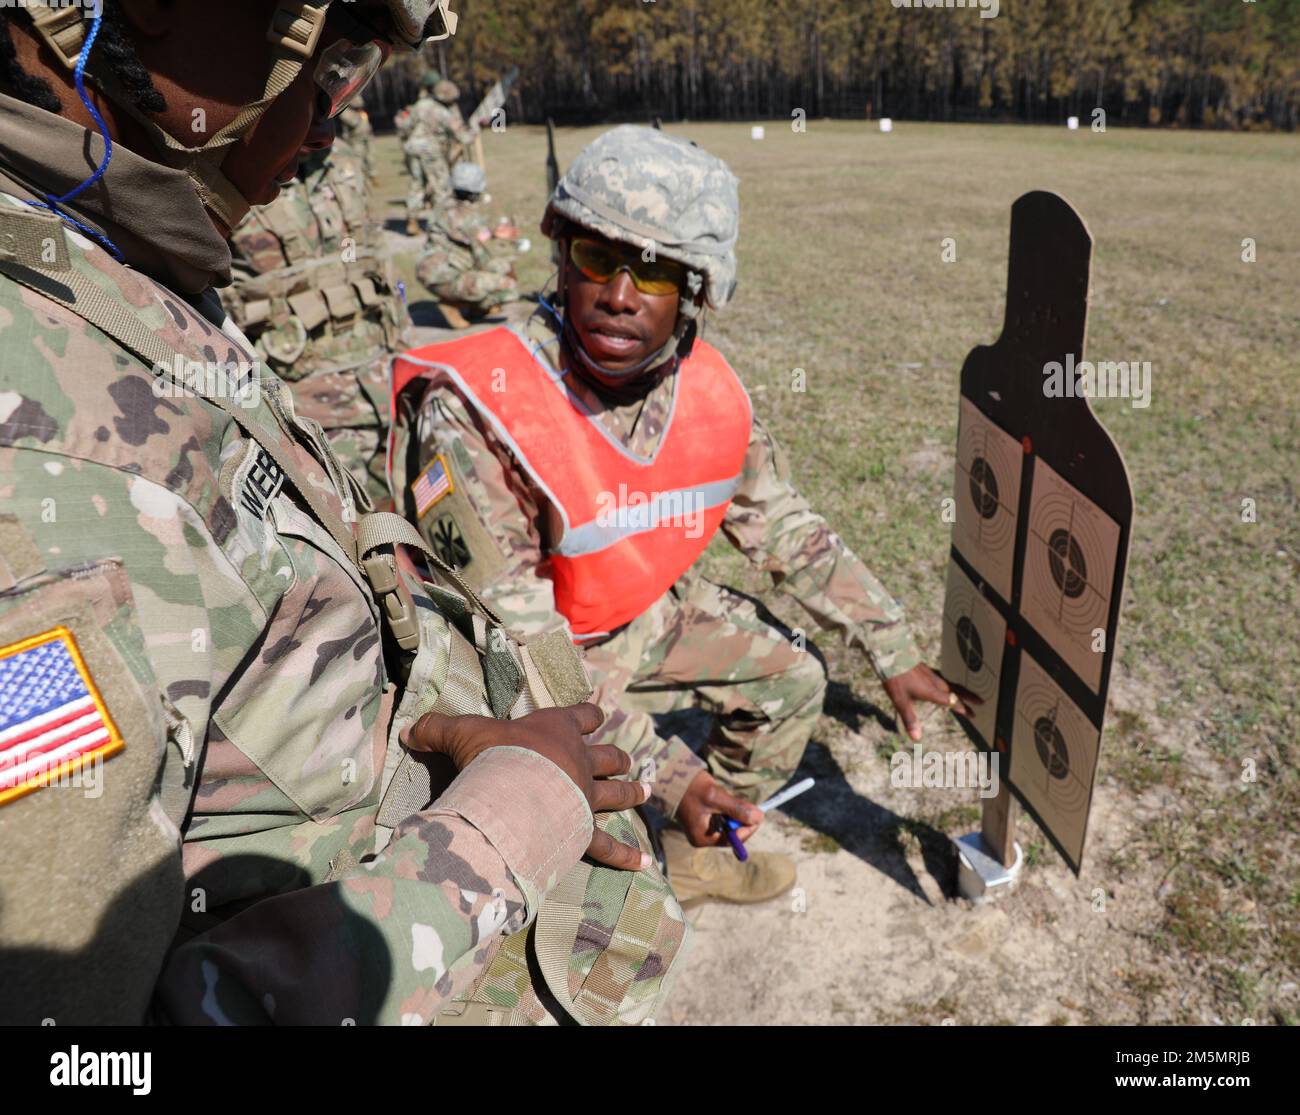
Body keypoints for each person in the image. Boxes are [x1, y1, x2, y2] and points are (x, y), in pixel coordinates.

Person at [0, 1, 679, 1027]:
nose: (324, 118)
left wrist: (413, 726)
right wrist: (504, 825)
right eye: (322, 58)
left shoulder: (109, 262)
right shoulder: (42, 454)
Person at [391, 126, 977, 908]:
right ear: (562, 255)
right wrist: (669, 774)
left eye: (658, 271)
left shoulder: (707, 394)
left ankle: (697, 857)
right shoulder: (480, 407)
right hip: (514, 658)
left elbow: (785, 527)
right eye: (598, 258)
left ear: (696, 289)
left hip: (630, 618)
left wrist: (893, 647)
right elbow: (514, 643)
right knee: (584, 832)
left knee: (793, 676)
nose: (620, 294)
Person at [221, 136, 406, 505]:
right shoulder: (229, 175)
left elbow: (377, 266)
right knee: (347, 535)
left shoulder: (345, 164)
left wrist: (406, 351)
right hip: (308, 410)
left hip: (387, 384)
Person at [416, 160, 519, 327]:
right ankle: (453, 304)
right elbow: (484, 256)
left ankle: (474, 305)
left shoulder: (443, 205)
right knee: (508, 286)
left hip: (431, 269)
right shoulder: (468, 217)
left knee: (492, 274)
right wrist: (506, 267)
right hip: (444, 274)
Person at [401, 72, 477, 234]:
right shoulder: (443, 111)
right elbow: (462, 135)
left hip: (412, 148)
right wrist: (473, 132)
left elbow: (406, 127)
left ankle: (412, 221)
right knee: (441, 187)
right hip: (430, 151)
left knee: (417, 185)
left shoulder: (420, 105)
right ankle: (441, 223)